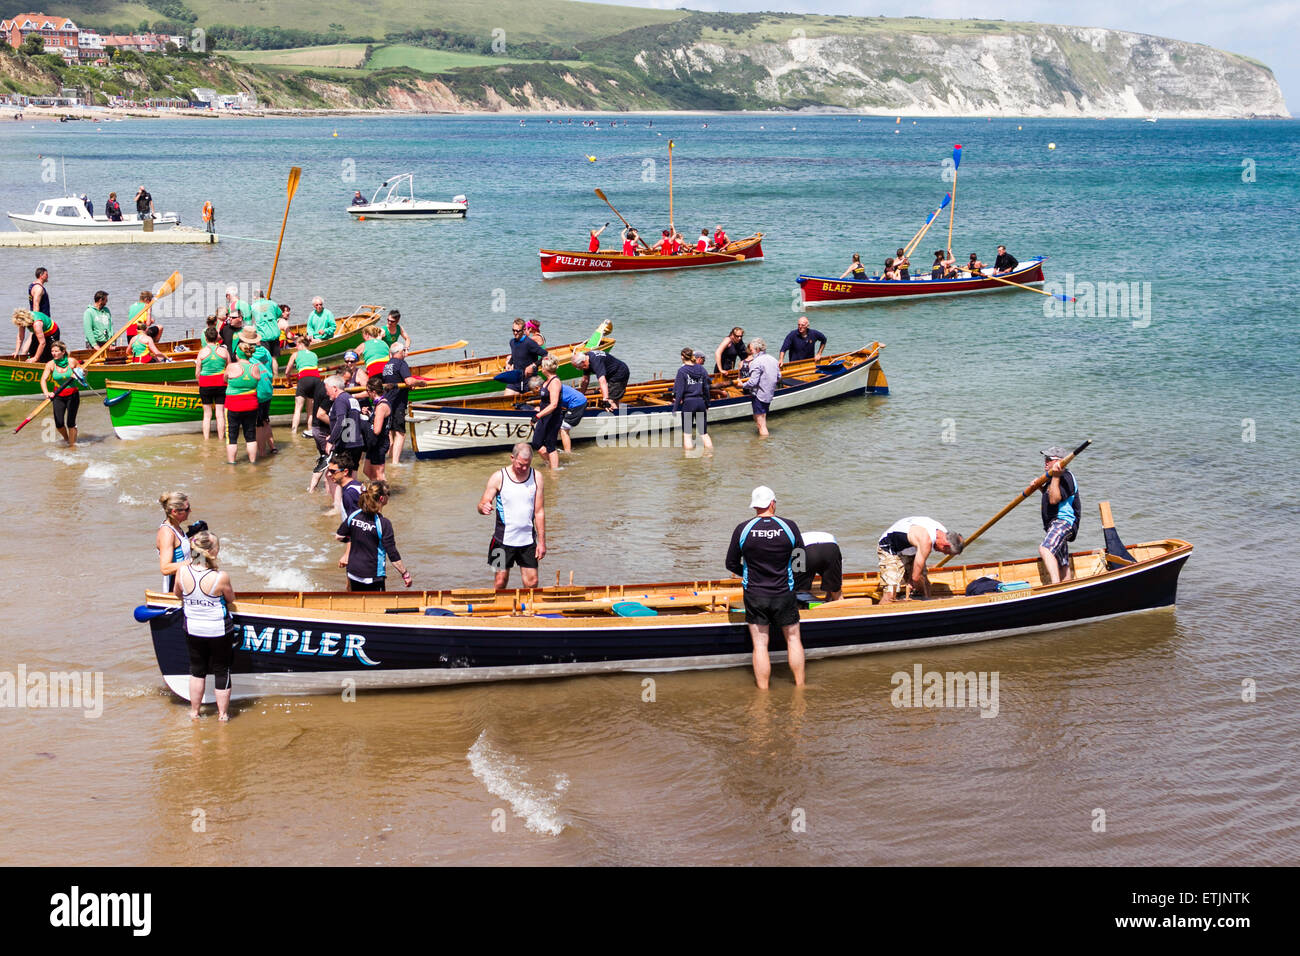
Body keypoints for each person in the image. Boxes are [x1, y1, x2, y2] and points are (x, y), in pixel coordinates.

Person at [725, 486, 806, 689]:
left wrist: (747, 572)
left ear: (754, 506)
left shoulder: (743, 528)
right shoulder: (789, 526)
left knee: (760, 644)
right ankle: (800, 686)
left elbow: (730, 563)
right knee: (793, 638)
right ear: (772, 503)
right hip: (783, 592)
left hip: (754, 593)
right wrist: (789, 579)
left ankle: (763, 692)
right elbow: (800, 562)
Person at [173, 530, 236, 721]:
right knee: (221, 670)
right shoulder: (220, 576)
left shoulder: (182, 571)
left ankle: (194, 712)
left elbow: (178, 594)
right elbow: (231, 598)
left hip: (193, 627)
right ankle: (223, 715)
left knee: (197, 671)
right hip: (218, 629)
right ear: (212, 551)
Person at [478, 443, 546, 590]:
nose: (523, 468)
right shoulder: (498, 477)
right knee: (500, 582)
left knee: (532, 582)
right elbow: (482, 503)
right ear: (512, 458)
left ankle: (529, 611)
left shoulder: (537, 477)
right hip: (500, 542)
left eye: (526, 465)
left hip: (527, 541)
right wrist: (483, 507)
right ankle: (498, 611)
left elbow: (539, 512)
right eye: (520, 464)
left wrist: (541, 542)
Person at [337, 481, 411, 591]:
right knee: (377, 606)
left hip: (353, 572)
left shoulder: (354, 516)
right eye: (388, 494)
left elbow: (339, 536)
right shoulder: (383, 523)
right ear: (382, 499)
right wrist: (405, 574)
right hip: (373, 576)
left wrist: (357, 536)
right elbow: (392, 554)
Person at [876, 517, 964, 603]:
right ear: (946, 545)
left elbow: (916, 575)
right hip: (890, 547)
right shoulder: (926, 541)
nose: (943, 553)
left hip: (911, 547)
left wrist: (915, 581)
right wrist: (913, 581)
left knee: (925, 583)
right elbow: (915, 578)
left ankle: (927, 606)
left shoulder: (944, 532)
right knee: (890, 594)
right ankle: (879, 615)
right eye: (946, 552)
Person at [1039, 445, 1082, 584]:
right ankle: (1066, 587)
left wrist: (1056, 476)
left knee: (1045, 549)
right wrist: (1040, 487)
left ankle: (1055, 586)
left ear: (1058, 461)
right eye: (1045, 458)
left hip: (1063, 522)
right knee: (1062, 562)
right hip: (1055, 523)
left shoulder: (1065, 477)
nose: (1045, 461)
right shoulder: (1054, 478)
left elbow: (1054, 499)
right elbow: (1051, 497)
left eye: (1048, 459)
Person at [381, 342, 429, 464]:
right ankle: (395, 463)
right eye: (404, 351)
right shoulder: (401, 363)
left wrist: (408, 386)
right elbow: (408, 380)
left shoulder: (387, 365)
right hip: (397, 404)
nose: (405, 354)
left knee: (391, 432)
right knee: (400, 433)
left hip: (387, 402)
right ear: (400, 352)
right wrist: (420, 382)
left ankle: (388, 460)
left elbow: (394, 381)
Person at [223, 330, 264, 465]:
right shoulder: (255, 368)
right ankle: (253, 463)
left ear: (238, 354)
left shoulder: (231, 367)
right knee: (250, 436)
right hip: (251, 405)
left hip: (233, 405)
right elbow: (256, 381)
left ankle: (231, 463)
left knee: (232, 437)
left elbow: (225, 380)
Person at [40, 341, 81, 448]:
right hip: (58, 396)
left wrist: (81, 373)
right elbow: (43, 380)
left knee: (70, 423)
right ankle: (67, 439)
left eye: (56, 351)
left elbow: (84, 374)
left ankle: (72, 446)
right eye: (52, 351)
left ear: (63, 352)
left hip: (73, 395)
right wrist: (46, 393)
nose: (53, 353)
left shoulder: (72, 362)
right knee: (59, 423)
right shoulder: (50, 364)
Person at [671, 346, 713, 452]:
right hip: (700, 403)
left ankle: (688, 460)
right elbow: (706, 387)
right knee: (704, 433)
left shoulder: (682, 371)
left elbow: (679, 391)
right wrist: (708, 403)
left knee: (687, 434)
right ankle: (710, 456)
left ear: (682, 357)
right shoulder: (701, 369)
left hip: (689, 404)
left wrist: (675, 408)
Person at [527, 359, 566, 470]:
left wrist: (538, 415)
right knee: (537, 443)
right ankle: (550, 464)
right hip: (544, 416)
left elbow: (553, 404)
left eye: (542, 367)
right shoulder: (546, 380)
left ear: (545, 369)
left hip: (553, 417)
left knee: (550, 445)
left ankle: (554, 471)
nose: (541, 369)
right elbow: (545, 400)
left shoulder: (555, 382)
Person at [194, 327, 229, 441]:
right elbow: (229, 368)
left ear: (205, 338)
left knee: (207, 415)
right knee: (220, 414)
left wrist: (200, 383)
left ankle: (206, 439)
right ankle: (220, 439)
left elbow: (197, 372)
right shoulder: (224, 351)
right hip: (221, 383)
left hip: (205, 384)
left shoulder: (202, 352)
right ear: (217, 338)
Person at [496, 318, 547, 395]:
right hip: (516, 380)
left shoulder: (530, 343)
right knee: (505, 400)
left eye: (517, 331)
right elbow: (514, 355)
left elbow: (546, 355)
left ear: (523, 330)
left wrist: (534, 365)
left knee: (530, 405)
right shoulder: (512, 342)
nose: (515, 333)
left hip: (530, 381)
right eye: (513, 330)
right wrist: (509, 364)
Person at [325, 373, 367, 466]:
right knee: (352, 472)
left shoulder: (340, 400)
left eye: (327, 389)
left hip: (346, 444)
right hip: (356, 442)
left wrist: (331, 441)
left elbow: (341, 420)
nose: (326, 393)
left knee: (333, 473)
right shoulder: (351, 398)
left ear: (334, 388)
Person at [156, 491, 193, 591]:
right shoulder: (167, 533)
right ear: (175, 512)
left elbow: (180, 552)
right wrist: (195, 562)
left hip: (185, 585)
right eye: (187, 509)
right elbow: (165, 568)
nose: (190, 511)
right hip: (174, 591)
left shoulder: (176, 528)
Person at [742, 337, 779, 437]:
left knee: (761, 424)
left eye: (752, 350)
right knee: (761, 418)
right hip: (769, 394)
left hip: (759, 395)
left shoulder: (756, 362)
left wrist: (742, 385)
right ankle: (763, 443)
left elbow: (753, 382)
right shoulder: (773, 359)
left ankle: (762, 447)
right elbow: (779, 376)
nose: (750, 352)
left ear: (757, 350)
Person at [285, 334, 321, 435]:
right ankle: (310, 431)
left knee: (298, 409)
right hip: (316, 380)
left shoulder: (295, 354)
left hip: (304, 379)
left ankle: (293, 433)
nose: (296, 347)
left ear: (301, 344)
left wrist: (290, 382)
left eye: (296, 345)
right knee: (310, 410)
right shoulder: (314, 354)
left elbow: (287, 372)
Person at [793, 531, 843, 602]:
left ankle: (800, 604)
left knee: (797, 588)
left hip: (805, 549)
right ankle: (837, 601)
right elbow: (837, 574)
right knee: (835, 588)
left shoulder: (793, 541)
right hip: (831, 546)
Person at [361, 377, 391, 481]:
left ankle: (384, 495)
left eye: (367, 391)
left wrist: (363, 424)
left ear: (373, 392)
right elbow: (377, 420)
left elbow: (377, 430)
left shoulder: (381, 406)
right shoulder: (378, 404)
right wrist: (370, 414)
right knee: (367, 471)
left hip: (380, 443)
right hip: (374, 443)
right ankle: (376, 492)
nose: (367, 393)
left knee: (379, 475)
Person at [555, 373, 588, 454]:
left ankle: (568, 453)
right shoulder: (553, 384)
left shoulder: (551, 387)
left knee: (563, 428)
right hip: (576, 402)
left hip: (577, 403)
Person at [329, 452, 365, 517]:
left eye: (333, 471)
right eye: (329, 471)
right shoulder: (357, 486)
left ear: (345, 472)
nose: (329, 474)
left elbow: (355, 521)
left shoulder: (349, 493)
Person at [249, 289, 282, 358]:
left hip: (263, 336)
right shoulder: (273, 303)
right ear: (263, 295)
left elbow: (249, 321)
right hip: (274, 334)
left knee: (266, 358)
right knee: (274, 359)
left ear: (254, 297)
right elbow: (279, 314)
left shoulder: (252, 307)